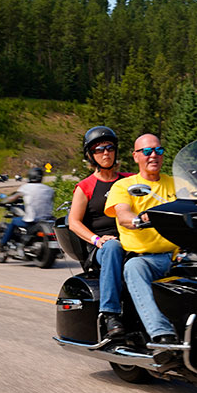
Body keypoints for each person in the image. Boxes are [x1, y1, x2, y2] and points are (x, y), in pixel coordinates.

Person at [106, 133, 180, 346]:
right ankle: (162, 337)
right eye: (147, 151)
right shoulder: (124, 186)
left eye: (158, 150)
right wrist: (138, 220)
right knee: (134, 268)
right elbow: (123, 214)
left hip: (180, 255)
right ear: (136, 156)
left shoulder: (177, 184)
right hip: (147, 259)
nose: (153, 155)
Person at [67, 126, 134, 339]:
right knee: (113, 246)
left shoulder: (129, 181)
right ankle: (110, 314)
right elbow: (73, 222)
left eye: (109, 148)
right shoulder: (85, 186)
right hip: (103, 247)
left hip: (134, 239)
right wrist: (97, 240)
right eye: (98, 150)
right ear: (91, 155)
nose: (105, 153)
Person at [0, 166, 54, 249]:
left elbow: (12, 198)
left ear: (30, 176)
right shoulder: (49, 189)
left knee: (13, 221)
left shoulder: (26, 187)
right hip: (47, 219)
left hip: (33, 220)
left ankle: (2, 243)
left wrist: (2, 202)